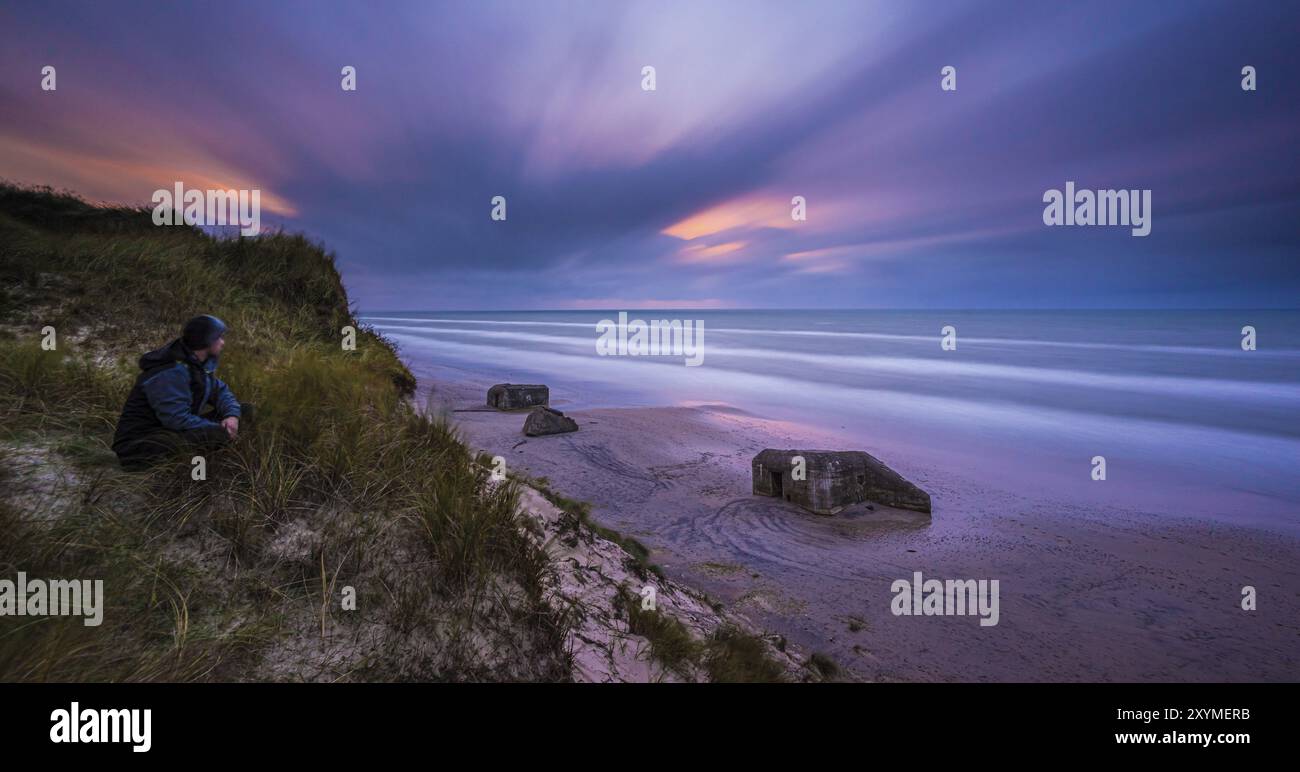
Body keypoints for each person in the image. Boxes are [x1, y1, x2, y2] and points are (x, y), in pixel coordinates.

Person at [112, 314, 250, 470]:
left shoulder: (198, 365)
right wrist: (217, 429)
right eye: (219, 338)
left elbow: (220, 392)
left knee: (245, 411)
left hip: (169, 431)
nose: (222, 342)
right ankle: (198, 472)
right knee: (216, 434)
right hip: (139, 446)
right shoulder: (170, 371)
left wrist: (232, 416)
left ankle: (218, 461)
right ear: (207, 341)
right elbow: (176, 419)